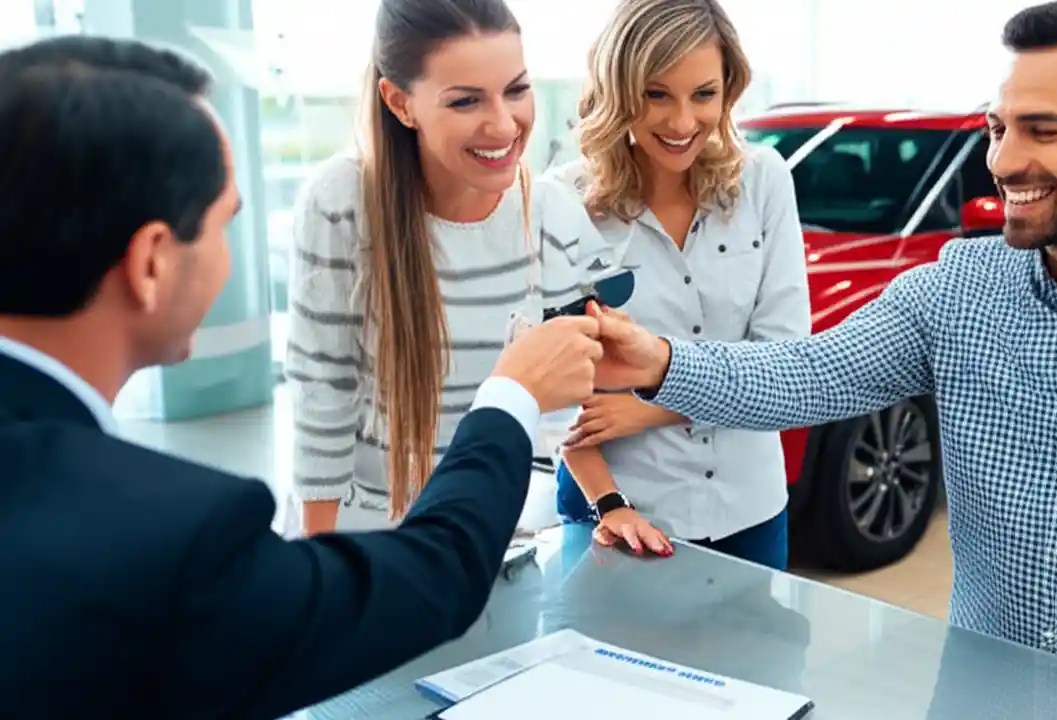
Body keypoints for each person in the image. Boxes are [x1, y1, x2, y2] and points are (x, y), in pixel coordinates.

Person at [587, 0, 1057, 707]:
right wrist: (657, 360)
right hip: (976, 695)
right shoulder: (956, 289)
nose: (1004, 161)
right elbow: (805, 376)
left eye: (1042, 131)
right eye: (998, 128)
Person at [0, 35, 605, 719]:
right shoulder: (168, 540)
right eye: (225, 225)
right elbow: (433, 579)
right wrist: (511, 396)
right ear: (152, 264)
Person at [288, 0, 612, 534]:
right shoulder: (341, 201)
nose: (505, 125)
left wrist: (611, 503)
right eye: (466, 101)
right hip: (365, 532)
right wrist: (322, 567)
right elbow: (322, 393)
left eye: (516, 89)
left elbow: (570, 406)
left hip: (488, 528)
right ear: (399, 102)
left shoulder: (552, 213)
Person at [547, 0, 810, 570]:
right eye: (657, 94)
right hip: (619, 507)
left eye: (704, 94)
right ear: (618, 89)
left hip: (750, 507)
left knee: (752, 662)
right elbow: (562, 392)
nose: (683, 122)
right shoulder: (562, 200)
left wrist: (649, 407)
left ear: (729, 90)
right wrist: (609, 503)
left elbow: (785, 358)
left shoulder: (764, 181)